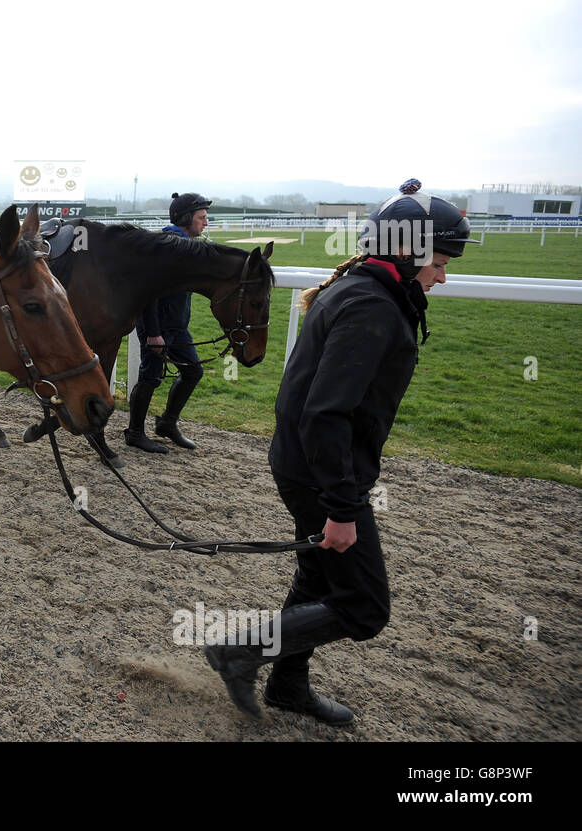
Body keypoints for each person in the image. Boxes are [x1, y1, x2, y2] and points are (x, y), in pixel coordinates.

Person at [203, 180, 478, 726]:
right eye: (440, 263)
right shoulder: (370, 307)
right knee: (364, 606)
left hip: (306, 462)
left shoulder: (360, 289)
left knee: (318, 577)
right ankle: (240, 651)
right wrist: (342, 508)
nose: (443, 275)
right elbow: (328, 413)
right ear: (409, 253)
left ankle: (287, 684)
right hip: (320, 471)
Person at [124, 191, 211, 454]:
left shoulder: (185, 245)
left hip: (177, 328)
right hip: (156, 328)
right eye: (202, 218)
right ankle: (135, 432)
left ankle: (166, 424)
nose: (206, 223)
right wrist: (153, 334)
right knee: (150, 377)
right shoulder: (167, 245)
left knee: (193, 371)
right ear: (186, 218)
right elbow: (148, 291)